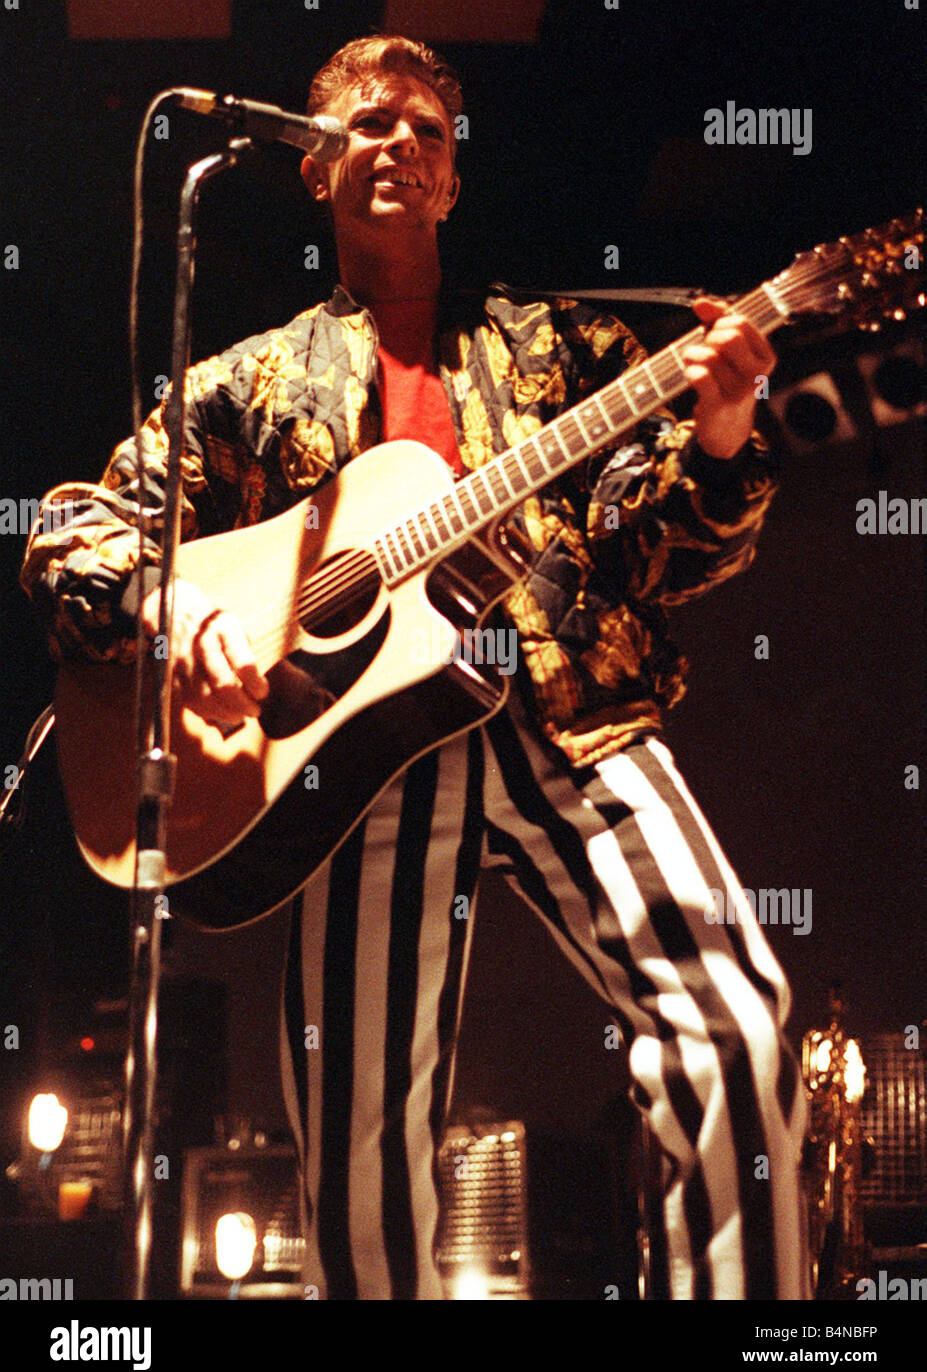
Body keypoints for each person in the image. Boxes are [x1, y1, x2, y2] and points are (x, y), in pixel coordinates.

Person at [21, 35, 809, 1299]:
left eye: (428, 132)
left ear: (450, 183)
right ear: (315, 170)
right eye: (368, 125)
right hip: (352, 765)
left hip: (571, 711)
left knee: (738, 1021)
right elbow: (74, 529)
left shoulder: (556, 350)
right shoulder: (254, 380)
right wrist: (174, 609)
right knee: (360, 1153)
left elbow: (664, 545)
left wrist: (719, 430)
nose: (399, 143)